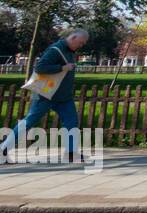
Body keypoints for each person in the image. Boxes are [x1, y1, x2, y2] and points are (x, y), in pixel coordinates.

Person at [1, 28, 90, 162]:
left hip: (63, 97)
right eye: (81, 42)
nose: (81, 45)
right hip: (45, 95)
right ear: (73, 38)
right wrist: (62, 68)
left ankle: (71, 153)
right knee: (29, 121)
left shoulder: (69, 51)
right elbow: (40, 68)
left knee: (71, 122)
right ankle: (3, 149)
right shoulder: (55, 50)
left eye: (83, 43)